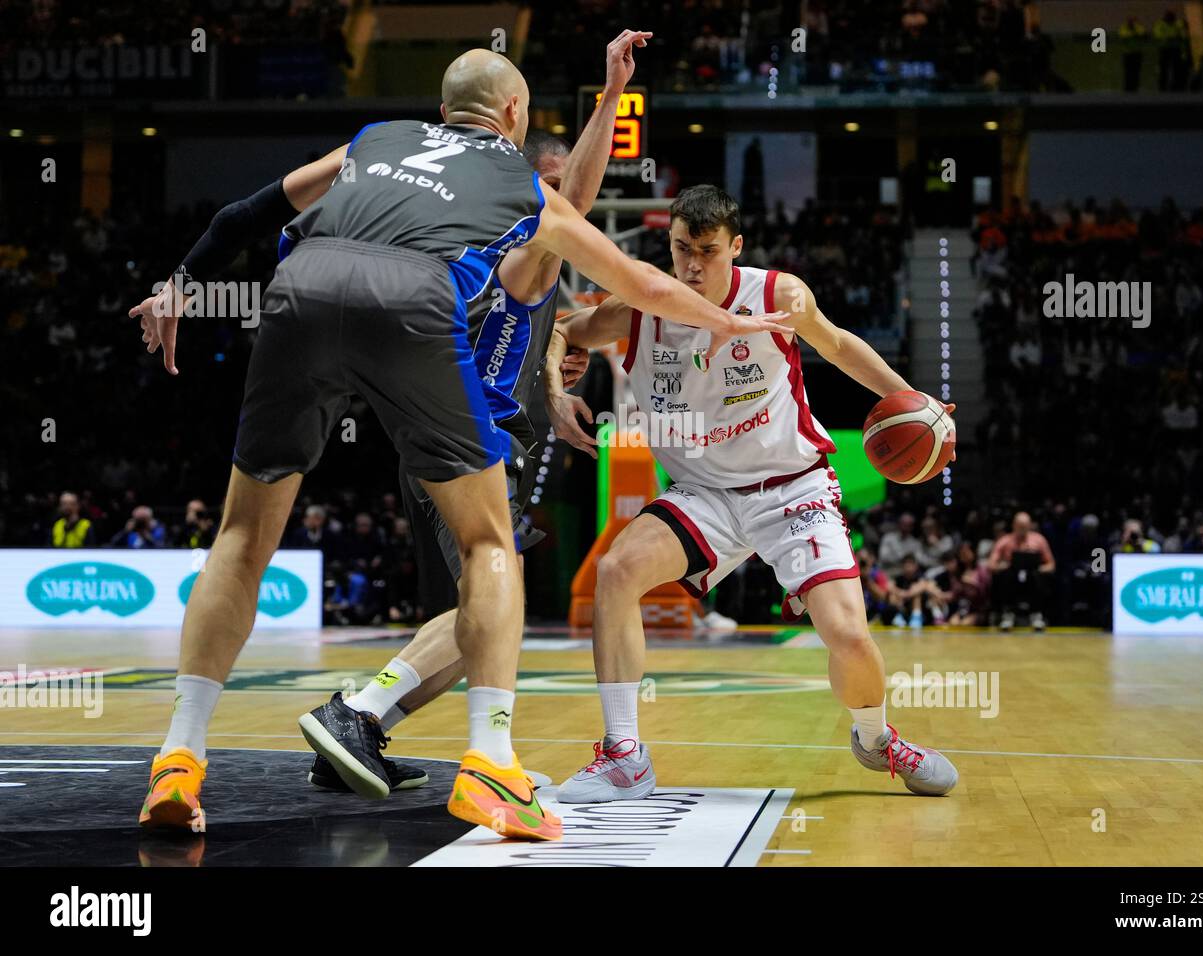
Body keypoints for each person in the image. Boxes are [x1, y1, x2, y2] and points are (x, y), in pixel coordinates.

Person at [128, 44, 790, 841]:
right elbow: (640, 279)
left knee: (244, 536)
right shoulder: (516, 201)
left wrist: (179, 285)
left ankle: (181, 754)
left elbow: (243, 216)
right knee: (493, 553)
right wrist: (736, 320)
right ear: (512, 117)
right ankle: (473, 756)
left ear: (442, 113)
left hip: (304, 291)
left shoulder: (379, 141)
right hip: (437, 387)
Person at [295, 29, 648, 796]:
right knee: (494, 598)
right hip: (467, 435)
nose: (553, 197)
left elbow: (536, 321)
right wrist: (612, 96)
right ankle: (358, 709)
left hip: (448, 428)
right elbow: (577, 203)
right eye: (544, 183)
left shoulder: (476, 232)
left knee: (476, 614)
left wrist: (552, 380)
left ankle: (356, 731)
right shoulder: (517, 224)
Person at [545, 184, 960, 803]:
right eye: (681, 248)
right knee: (615, 571)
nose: (691, 264)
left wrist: (915, 400)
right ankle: (624, 755)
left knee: (847, 635)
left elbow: (840, 345)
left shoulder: (778, 296)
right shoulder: (638, 304)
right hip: (701, 494)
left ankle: (876, 739)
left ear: (734, 248)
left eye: (706, 251)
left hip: (791, 488)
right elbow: (559, 330)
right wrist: (557, 384)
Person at [988, 511, 1055, 631]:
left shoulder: (1039, 540)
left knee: (1037, 575)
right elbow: (991, 564)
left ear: (1030, 526)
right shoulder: (1004, 541)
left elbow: (1051, 565)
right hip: (1011, 577)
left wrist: (1040, 568)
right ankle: (1008, 615)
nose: (1022, 529)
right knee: (1006, 574)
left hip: (1033, 578)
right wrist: (1002, 566)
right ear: (1014, 525)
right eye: (1020, 526)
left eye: (1025, 527)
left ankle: (1036, 615)